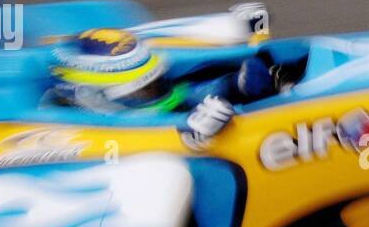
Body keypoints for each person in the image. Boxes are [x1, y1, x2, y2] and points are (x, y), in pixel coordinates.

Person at [45, 28, 280, 146]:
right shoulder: (59, 133)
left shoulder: (128, 102)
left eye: (155, 84)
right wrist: (189, 136)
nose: (155, 94)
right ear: (93, 98)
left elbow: (184, 95)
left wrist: (233, 85)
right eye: (143, 91)